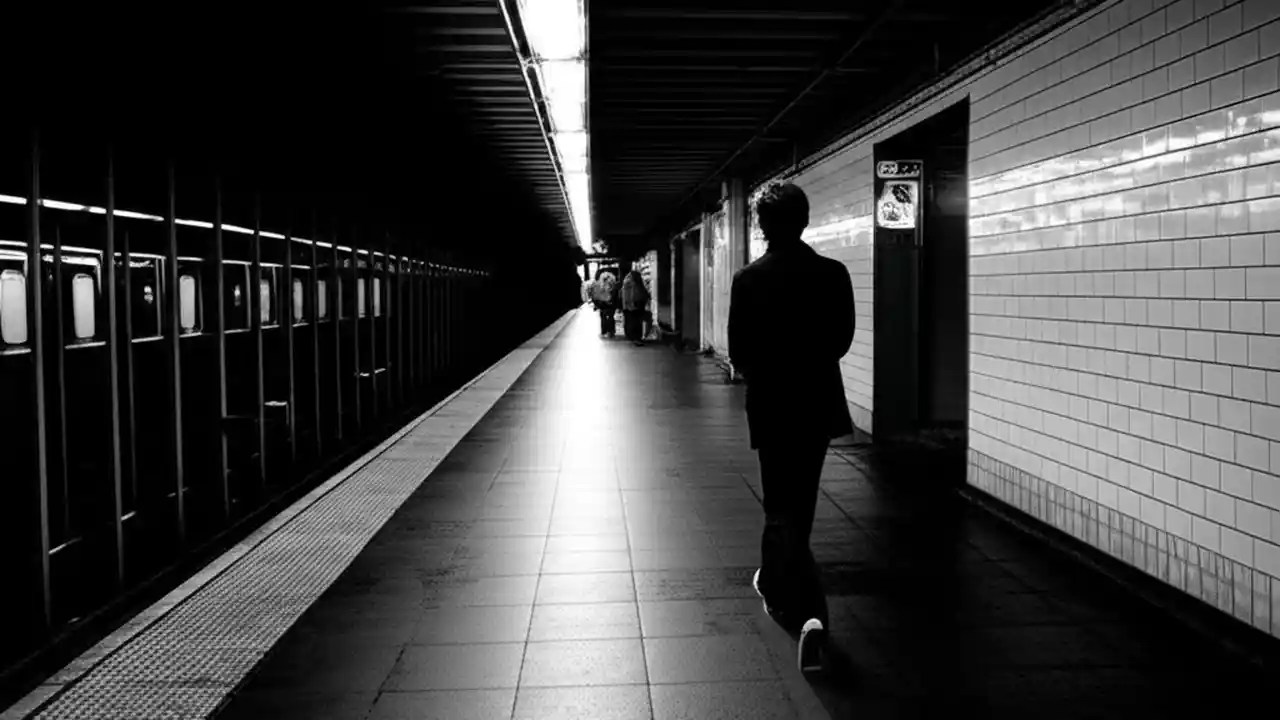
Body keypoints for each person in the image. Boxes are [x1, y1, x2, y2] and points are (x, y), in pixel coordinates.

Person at [727, 182, 855, 674]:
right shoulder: (832, 273)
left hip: (772, 405)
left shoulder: (748, 280)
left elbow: (740, 352)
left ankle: (807, 613)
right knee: (798, 503)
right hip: (816, 404)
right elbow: (841, 340)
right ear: (804, 221)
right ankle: (776, 584)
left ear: (762, 225)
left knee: (780, 504)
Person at [620, 269, 650, 345]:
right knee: (636, 322)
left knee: (630, 321)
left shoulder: (625, 283)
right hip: (636, 305)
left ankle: (631, 336)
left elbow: (623, 295)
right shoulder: (635, 283)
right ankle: (636, 338)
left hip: (627, 306)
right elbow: (640, 294)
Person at [591, 269, 618, 337]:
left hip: (604, 305)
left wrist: (598, 304)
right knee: (610, 317)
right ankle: (611, 331)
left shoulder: (600, 285)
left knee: (604, 317)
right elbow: (615, 295)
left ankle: (605, 331)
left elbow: (596, 296)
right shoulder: (613, 285)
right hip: (609, 305)